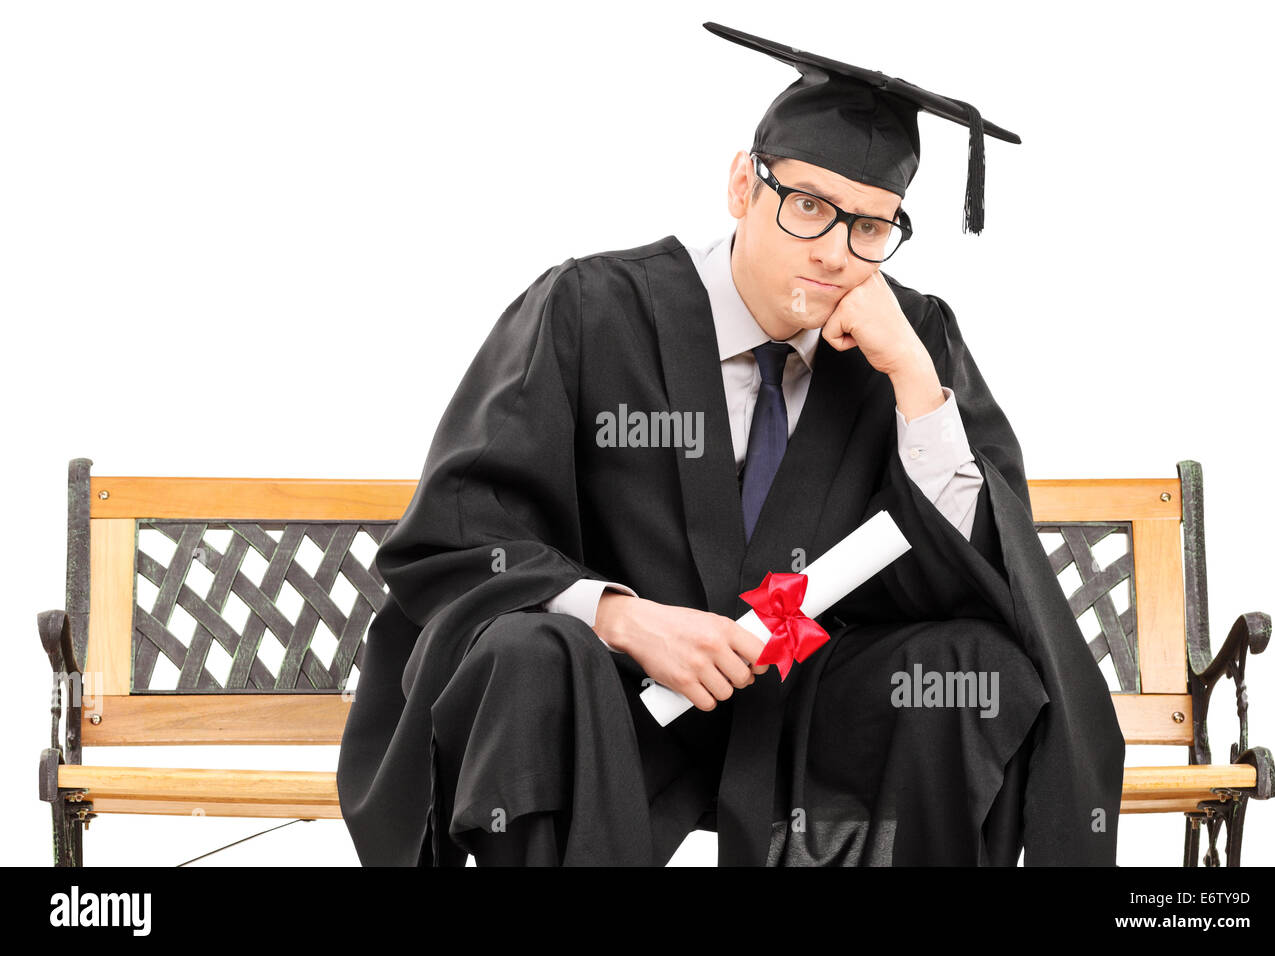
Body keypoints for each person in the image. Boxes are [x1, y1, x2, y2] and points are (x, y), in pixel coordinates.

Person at [336, 21, 1125, 866]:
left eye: (872, 227)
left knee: (979, 673)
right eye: (810, 206)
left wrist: (913, 380)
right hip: (613, 704)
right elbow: (460, 530)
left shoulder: (913, 335)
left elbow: (980, 574)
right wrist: (623, 618)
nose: (836, 252)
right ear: (743, 186)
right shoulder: (592, 309)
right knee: (529, 654)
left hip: (804, 709)